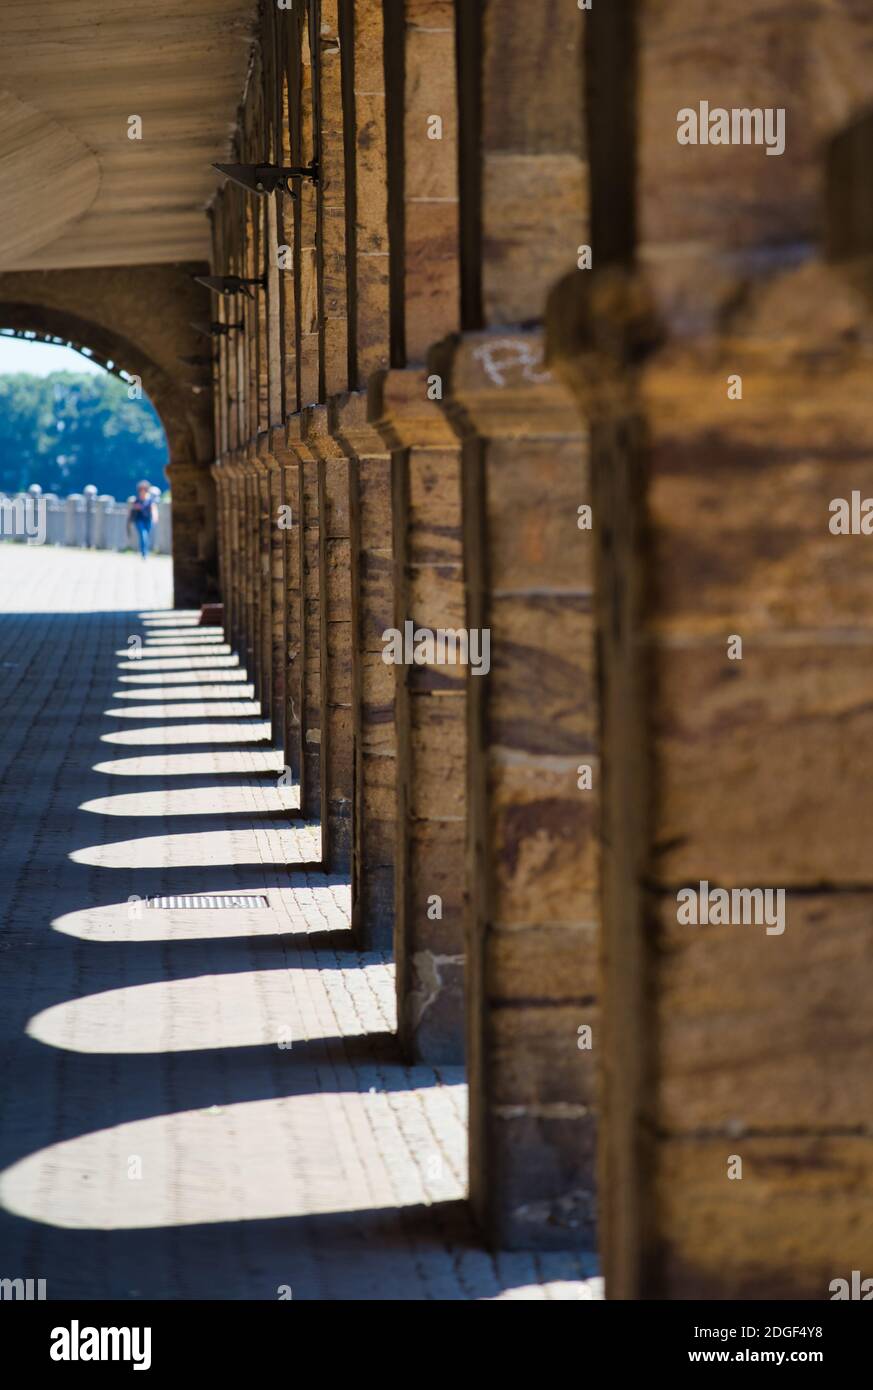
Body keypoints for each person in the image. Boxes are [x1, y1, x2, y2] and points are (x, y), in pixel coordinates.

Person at [128, 480, 158, 558]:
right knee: (143, 535)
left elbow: (153, 509)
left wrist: (155, 517)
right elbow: (131, 510)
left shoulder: (150, 500)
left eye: (144, 489)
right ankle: (144, 553)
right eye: (141, 489)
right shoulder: (137, 500)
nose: (142, 491)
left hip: (148, 520)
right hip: (139, 520)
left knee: (146, 536)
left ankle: (145, 551)